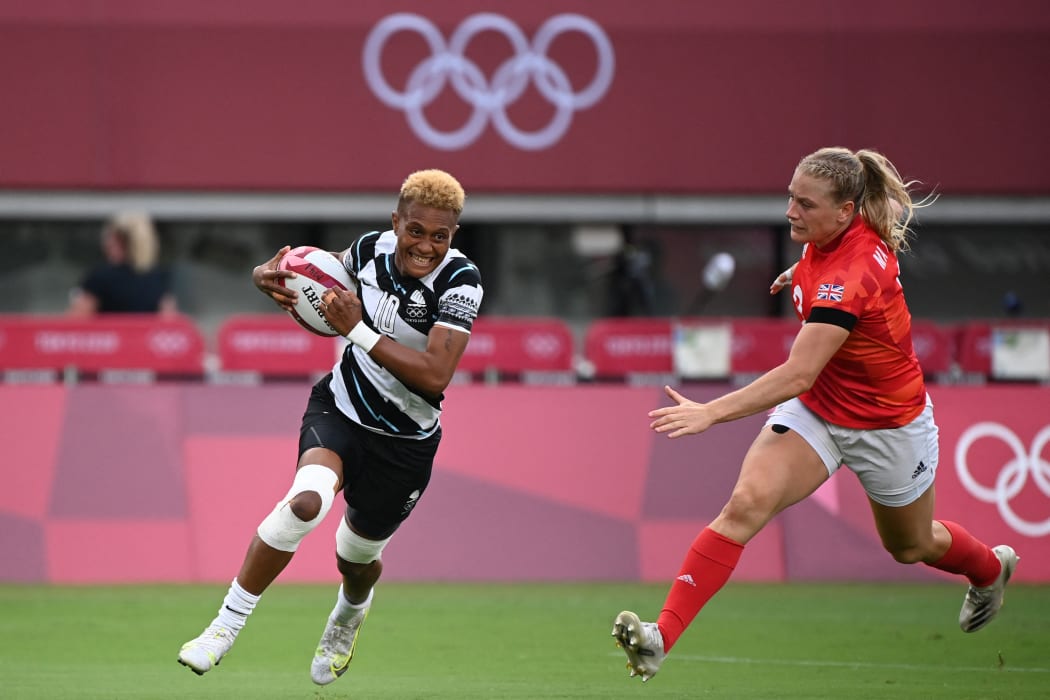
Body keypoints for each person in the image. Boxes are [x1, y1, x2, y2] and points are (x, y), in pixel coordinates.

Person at [611, 147, 1019, 682]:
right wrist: (796, 271)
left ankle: (991, 569)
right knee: (744, 505)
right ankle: (660, 637)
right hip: (821, 412)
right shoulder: (828, 244)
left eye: (804, 203)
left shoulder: (850, 274)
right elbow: (823, 308)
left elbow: (797, 372)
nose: (789, 211)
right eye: (790, 196)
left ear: (845, 211)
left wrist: (711, 413)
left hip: (887, 425)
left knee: (910, 545)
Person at [177, 169, 482, 686]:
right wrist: (265, 275)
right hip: (340, 410)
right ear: (396, 223)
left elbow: (436, 373)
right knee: (306, 502)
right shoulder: (369, 249)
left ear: (453, 235)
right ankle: (222, 629)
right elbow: (313, 272)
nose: (426, 245)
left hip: (406, 444)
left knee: (357, 557)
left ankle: (347, 616)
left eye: (440, 235)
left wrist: (357, 329)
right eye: (416, 230)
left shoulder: (460, 282)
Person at [68, 211, 177, 315]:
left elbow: (78, 319)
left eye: (109, 238)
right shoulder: (158, 277)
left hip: (110, 334)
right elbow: (168, 320)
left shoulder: (101, 277)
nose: (106, 244)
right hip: (143, 335)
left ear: (118, 241)